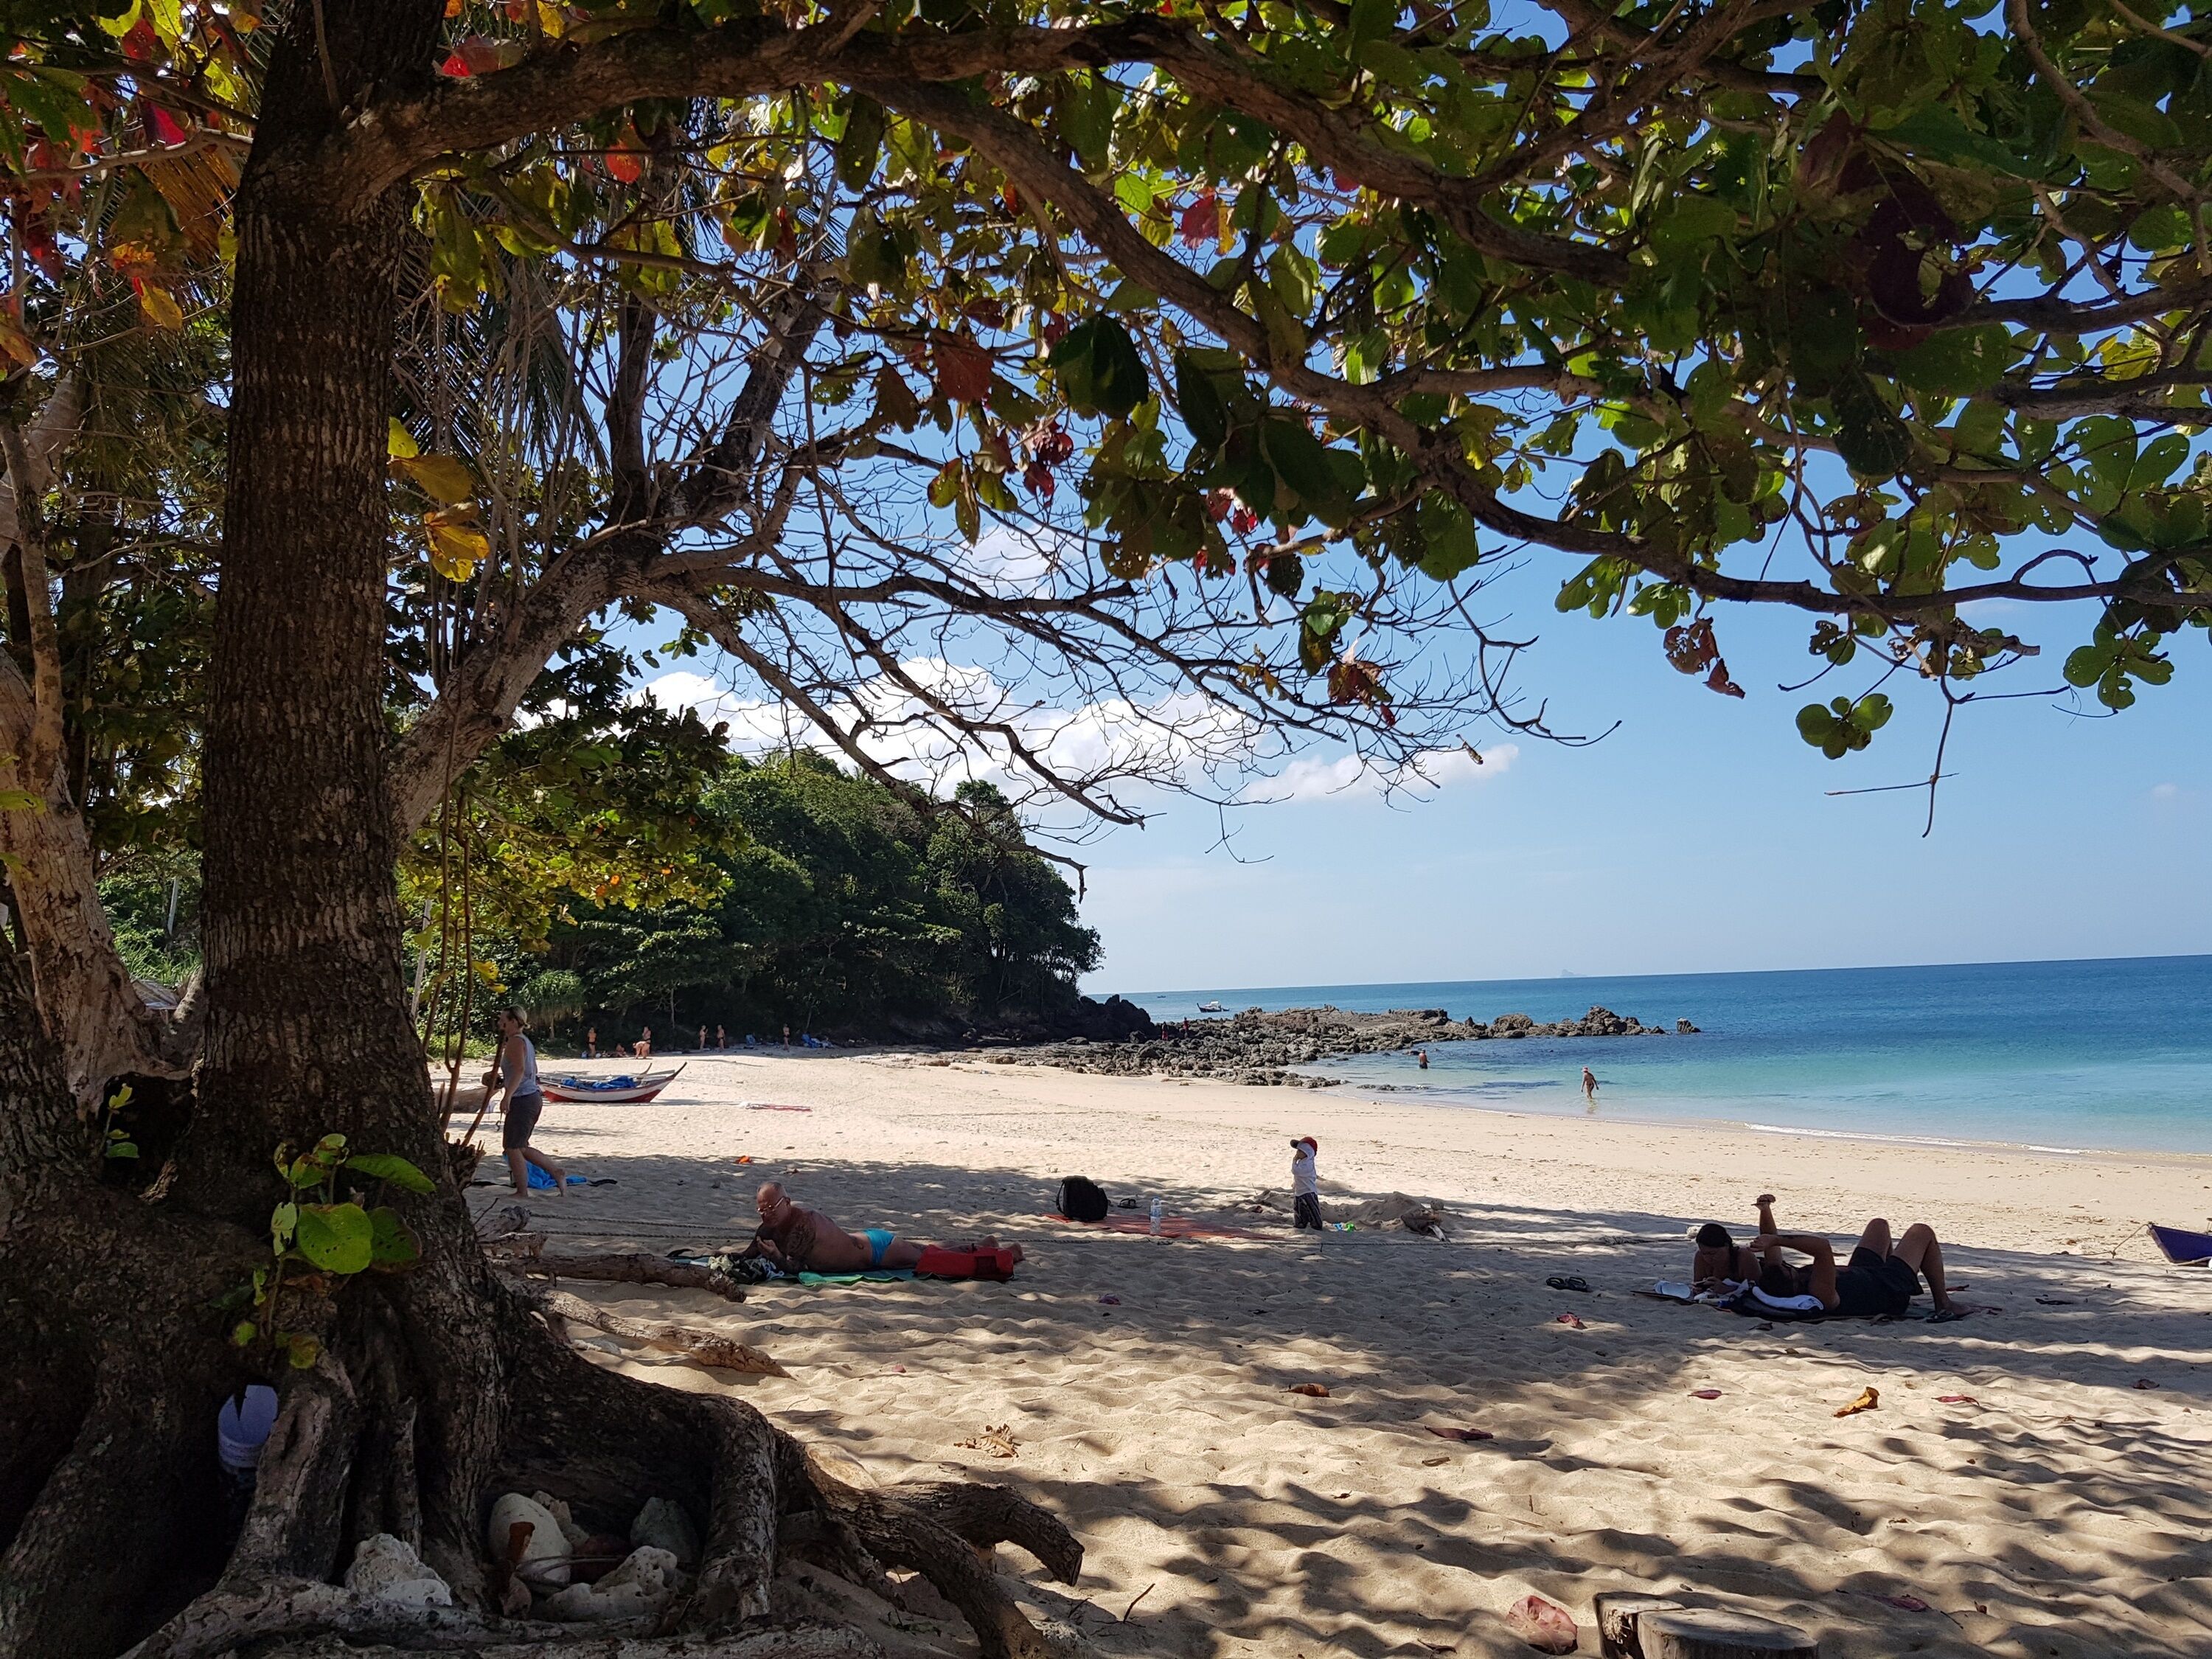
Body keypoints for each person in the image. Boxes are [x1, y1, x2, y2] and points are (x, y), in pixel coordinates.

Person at [1691, 1193, 1961, 1320]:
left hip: (1863, 1273)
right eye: (1788, 1270)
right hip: (1887, 1288)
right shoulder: (1818, 1292)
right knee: (1921, 1231)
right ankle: (1943, 1302)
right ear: (1792, 1282)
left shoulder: (1775, 1283)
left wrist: (1765, 1212)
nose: (1791, 1268)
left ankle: (1898, 1266)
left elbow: (1772, 1253)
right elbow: (1822, 1247)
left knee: (1879, 1224)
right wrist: (1778, 1240)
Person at [740, 1181, 1023, 1273]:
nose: (766, 1214)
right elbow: (747, 1254)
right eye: (761, 1210)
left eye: (772, 1208)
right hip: (868, 1240)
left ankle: (1007, 1255)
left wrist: (775, 1257)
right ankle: (983, 1244)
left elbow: (796, 1267)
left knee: (930, 1261)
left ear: (787, 1203)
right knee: (924, 1250)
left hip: (875, 1252)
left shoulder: (804, 1223)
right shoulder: (768, 1229)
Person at [492, 1006, 566, 1199]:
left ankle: (522, 1191)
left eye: (504, 1021)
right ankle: (555, 1172)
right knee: (520, 1145)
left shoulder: (516, 1041)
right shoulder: (524, 1041)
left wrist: (507, 1096)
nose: (501, 1024)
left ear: (514, 1021)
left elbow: (520, 1071)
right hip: (530, 1096)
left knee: (513, 1147)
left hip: (523, 1098)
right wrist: (502, 1082)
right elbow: (523, 1072)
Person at [1290, 1135, 1323, 1231]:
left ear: (1307, 1153)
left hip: (1308, 1191)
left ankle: (1316, 1224)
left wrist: (1294, 1162)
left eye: (1300, 1151)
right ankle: (1300, 1223)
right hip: (1299, 1191)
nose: (1297, 1153)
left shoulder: (1308, 1164)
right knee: (1299, 1210)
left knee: (1312, 1210)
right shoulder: (1302, 1162)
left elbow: (1296, 1171)